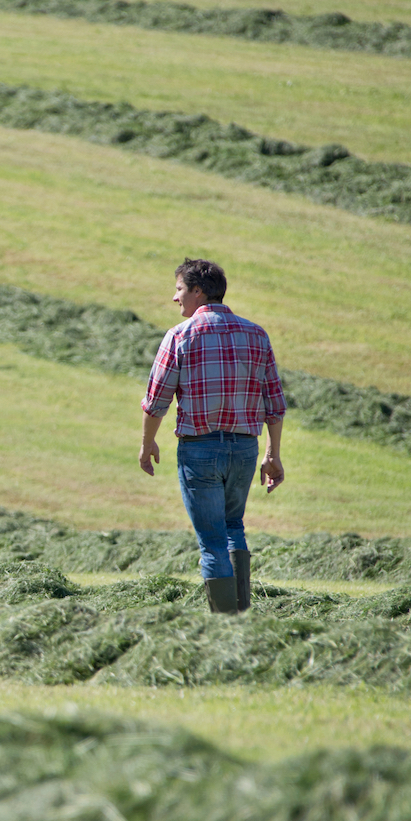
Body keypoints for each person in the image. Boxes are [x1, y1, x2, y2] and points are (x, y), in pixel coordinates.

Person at [139, 258, 285, 614]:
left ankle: (224, 625)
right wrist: (272, 455)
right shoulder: (256, 334)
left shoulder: (180, 335)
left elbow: (156, 401)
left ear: (198, 291)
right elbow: (275, 404)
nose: (175, 299)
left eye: (179, 290)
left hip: (199, 450)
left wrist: (147, 444)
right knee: (233, 526)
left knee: (212, 542)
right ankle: (242, 615)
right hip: (244, 450)